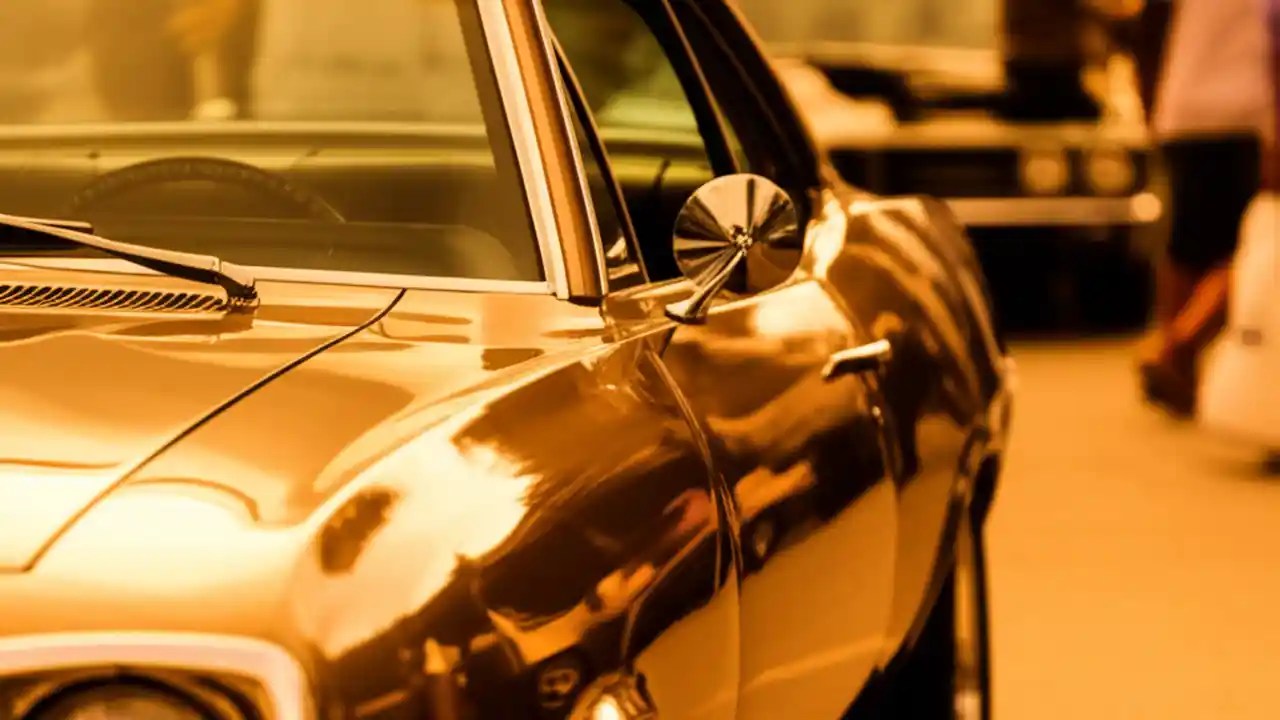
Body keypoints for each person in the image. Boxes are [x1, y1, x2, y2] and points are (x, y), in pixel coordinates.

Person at [1137, 0, 1274, 417]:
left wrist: (1151, 103)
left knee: (1187, 244)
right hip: (1247, 116)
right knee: (1252, 246)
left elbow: (1149, 30)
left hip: (1184, 109)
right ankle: (1181, 344)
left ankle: (1179, 356)